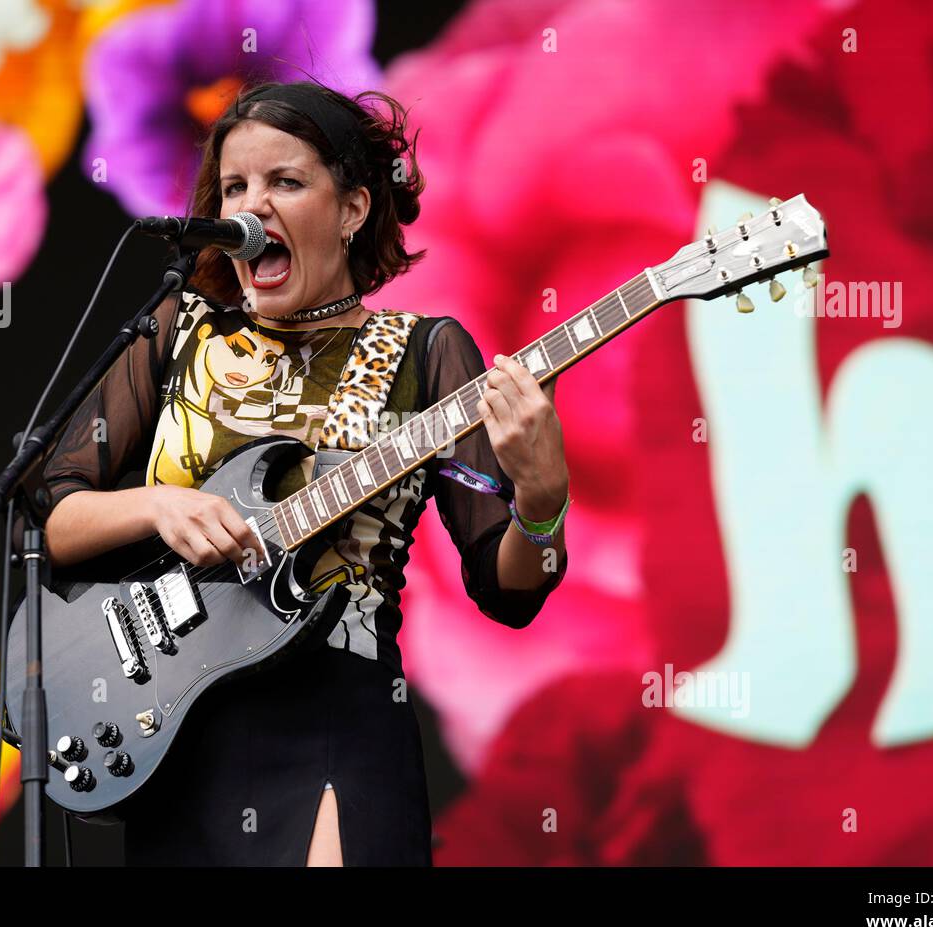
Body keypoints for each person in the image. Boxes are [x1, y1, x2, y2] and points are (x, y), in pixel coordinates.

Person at [38, 79, 571, 866]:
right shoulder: (176, 331)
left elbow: (510, 589)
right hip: (176, 723)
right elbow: (53, 516)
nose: (253, 208)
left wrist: (542, 499)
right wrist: (157, 508)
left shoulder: (428, 353)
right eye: (235, 187)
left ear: (354, 208)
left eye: (286, 182)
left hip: (336, 718)